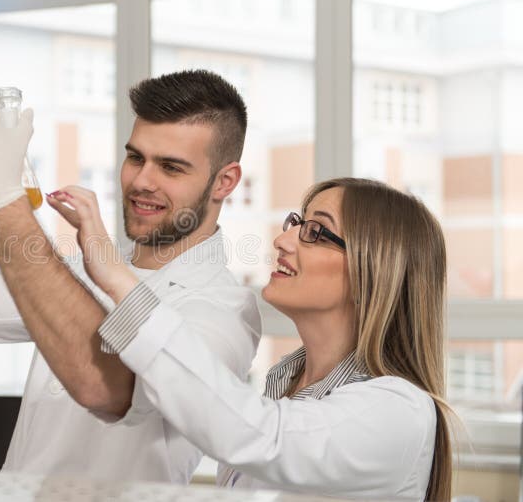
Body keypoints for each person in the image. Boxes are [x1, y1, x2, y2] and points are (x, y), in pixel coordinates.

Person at [0, 70, 262, 483]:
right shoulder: (82, 269)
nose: (141, 181)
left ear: (225, 181)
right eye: (136, 157)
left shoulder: (224, 310)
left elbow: (106, 389)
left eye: (171, 167)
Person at [48, 177, 452, 500]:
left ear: (374, 270)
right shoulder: (283, 384)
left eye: (315, 231)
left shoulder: (399, 411)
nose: (283, 239)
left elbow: (256, 435)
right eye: (297, 222)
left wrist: (117, 277)